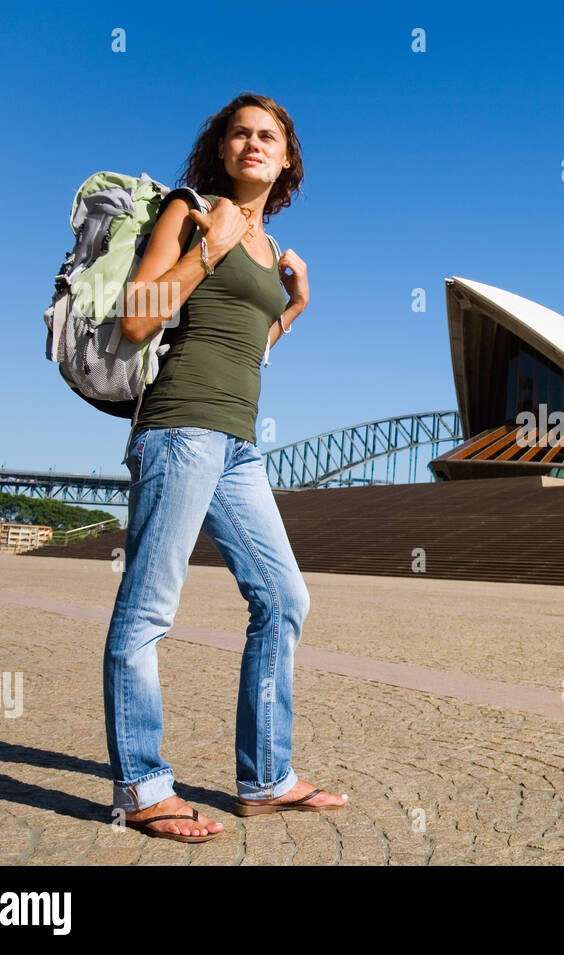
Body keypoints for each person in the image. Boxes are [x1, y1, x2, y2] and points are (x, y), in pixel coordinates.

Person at [103, 92, 347, 842]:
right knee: (149, 611)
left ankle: (266, 776)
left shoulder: (274, 250)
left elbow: (246, 346)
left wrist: (293, 308)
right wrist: (209, 246)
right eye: (239, 133)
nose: (252, 143)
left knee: (284, 597)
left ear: (287, 158)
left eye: (267, 135)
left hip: (238, 443)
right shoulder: (193, 211)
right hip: (179, 429)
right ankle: (142, 786)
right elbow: (138, 317)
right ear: (220, 149)